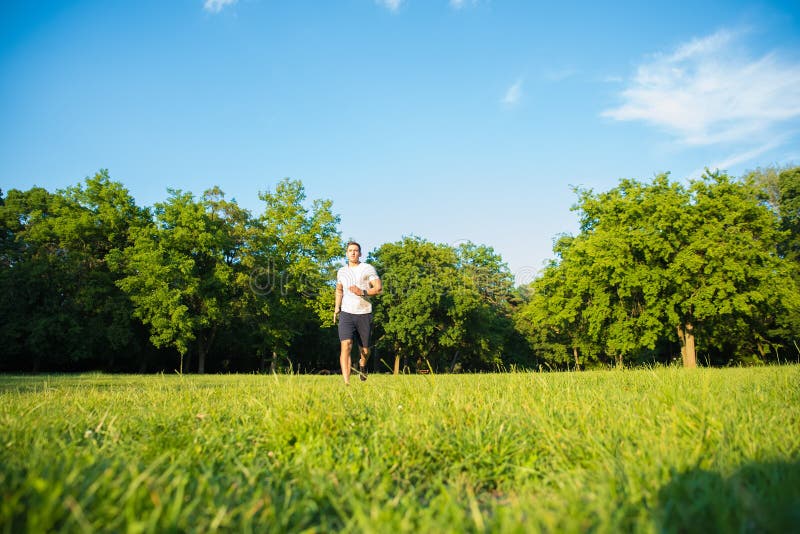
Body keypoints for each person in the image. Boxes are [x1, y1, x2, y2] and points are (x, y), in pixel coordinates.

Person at [334, 241, 382, 385]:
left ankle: (362, 365)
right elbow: (339, 290)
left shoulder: (367, 268)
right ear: (347, 253)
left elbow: (378, 288)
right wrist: (337, 307)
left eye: (356, 250)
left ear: (360, 253)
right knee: (346, 344)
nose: (353, 253)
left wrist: (362, 292)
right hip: (346, 313)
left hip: (364, 312)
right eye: (350, 250)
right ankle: (347, 383)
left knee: (365, 351)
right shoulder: (341, 271)